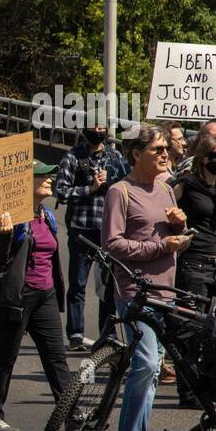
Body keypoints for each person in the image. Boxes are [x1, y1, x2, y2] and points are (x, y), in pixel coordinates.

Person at [101, 125, 191, 431]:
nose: (166, 153)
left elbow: (171, 233)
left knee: (152, 371)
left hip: (165, 289)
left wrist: (180, 226)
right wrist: (160, 245)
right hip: (136, 291)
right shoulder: (119, 192)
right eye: (157, 149)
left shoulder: (167, 190)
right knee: (147, 363)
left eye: (166, 147)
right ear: (136, 154)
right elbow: (112, 245)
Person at [0, 162, 71, 431]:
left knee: (56, 358)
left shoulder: (46, 215)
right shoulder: (8, 216)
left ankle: (72, 415)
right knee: (5, 358)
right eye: (42, 175)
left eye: (48, 174)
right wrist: (5, 236)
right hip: (15, 297)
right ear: (24, 183)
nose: (48, 179)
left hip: (46, 294)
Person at [53, 124, 130, 350]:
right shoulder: (73, 157)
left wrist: (110, 183)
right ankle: (76, 335)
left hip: (108, 230)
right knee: (78, 283)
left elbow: (127, 189)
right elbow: (61, 192)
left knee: (107, 286)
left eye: (103, 127)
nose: (99, 131)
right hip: (81, 228)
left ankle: (107, 334)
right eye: (94, 127)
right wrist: (90, 188)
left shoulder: (115, 157)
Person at [172, 132, 216, 408]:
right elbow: (166, 208)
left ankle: (211, 388)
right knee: (191, 331)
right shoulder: (187, 184)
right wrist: (179, 229)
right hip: (194, 263)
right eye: (213, 156)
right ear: (201, 158)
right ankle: (188, 390)